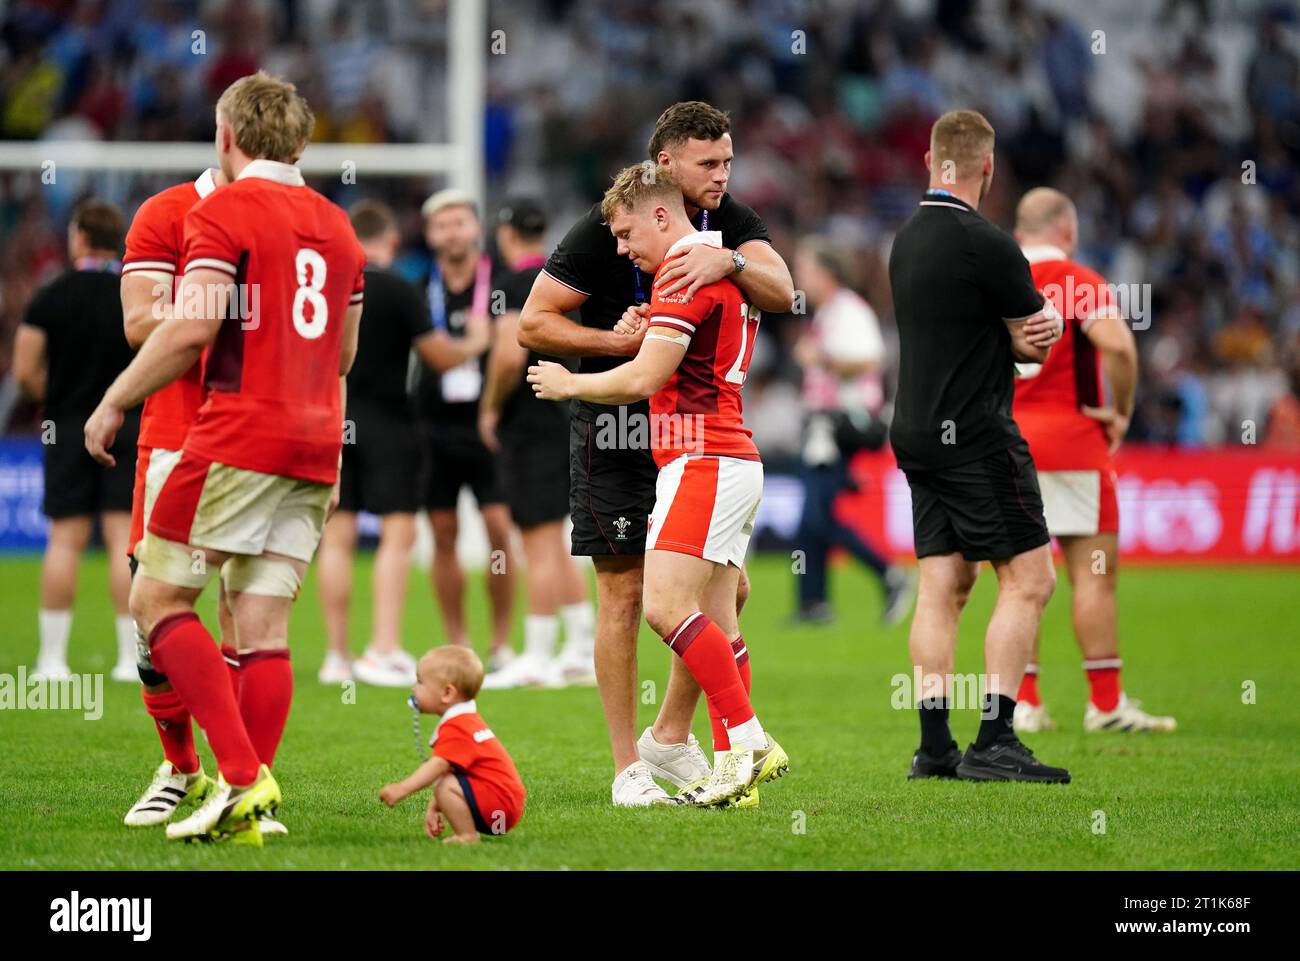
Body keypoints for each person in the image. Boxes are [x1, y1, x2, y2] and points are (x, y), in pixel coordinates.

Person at [84, 71, 365, 844]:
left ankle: (239, 777)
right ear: (303, 142)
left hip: (236, 434)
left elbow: (189, 326)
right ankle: (246, 807)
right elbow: (343, 353)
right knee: (263, 629)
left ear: (226, 136)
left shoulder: (225, 208)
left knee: (156, 602)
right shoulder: (340, 227)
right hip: (312, 444)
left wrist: (113, 400)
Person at [519, 101, 795, 806]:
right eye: (711, 163)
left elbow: (783, 290)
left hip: (695, 443)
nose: (723, 177)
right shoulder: (606, 224)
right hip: (635, 436)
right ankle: (633, 766)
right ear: (664, 168)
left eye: (729, 162)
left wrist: (726, 258)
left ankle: (711, 738)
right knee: (627, 593)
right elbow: (533, 322)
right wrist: (617, 341)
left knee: (701, 599)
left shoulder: (710, 246)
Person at [887, 109, 1071, 783]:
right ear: (987, 168)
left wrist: (1005, 333)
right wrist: (1035, 326)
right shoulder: (989, 243)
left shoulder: (905, 239)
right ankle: (996, 737)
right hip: (975, 434)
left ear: (932, 161)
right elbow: (1032, 336)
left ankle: (934, 746)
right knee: (1030, 579)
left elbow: (962, 330)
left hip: (915, 432)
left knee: (945, 582)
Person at [1010, 187, 1176, 734]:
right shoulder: (1079, 280)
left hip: (1007, 447)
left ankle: (1026, 705)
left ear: (1019, 231)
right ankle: (1105, 705)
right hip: (1074, 443)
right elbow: (1120, 347)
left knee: (1019, 582)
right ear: (1068, 229)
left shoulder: (995, 278)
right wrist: (1120, 412)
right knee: (1093, 577)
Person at [116, 166, 250, 829]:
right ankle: (180, 765)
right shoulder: (165, 212)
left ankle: (240, 779)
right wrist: (209, 304)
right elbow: (140, 323)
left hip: (260, 438)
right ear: (229, 140)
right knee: (151, 610)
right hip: (173, 436)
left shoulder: (291, 216)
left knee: (249, 617)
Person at [316, 199, 490, 688]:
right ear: (391, 241)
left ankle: (335, 656)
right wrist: (476, 343)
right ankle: (384, 648)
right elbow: (440, 357)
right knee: (397, 536)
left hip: (334, 421)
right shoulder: (397, 287)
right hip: (392, 424)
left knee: (337, 537)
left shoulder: (329, 288)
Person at [13, 199, 139, 682]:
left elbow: (25, 370)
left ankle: (51, 661)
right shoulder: (133, 294)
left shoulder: (52, 294)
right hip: (126, 424)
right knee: (121, 542)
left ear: (81, 237)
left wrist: (60, 398)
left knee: (64, 541)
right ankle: (130, 661)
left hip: (65, 427)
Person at [478, 197, 595, 688]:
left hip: (528, 423)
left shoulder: (509, 285)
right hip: (565, 417)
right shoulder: (562, 281)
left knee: (538, 543)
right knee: (557, 539)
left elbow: (508, 355)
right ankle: (582, 649)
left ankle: (539, 657)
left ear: (506, 236)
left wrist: (488, 407)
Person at [791, 237, 914, 626]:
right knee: (811, 517)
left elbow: (869, 361)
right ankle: (813, 605)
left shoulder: (849, 311)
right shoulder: (830, 313)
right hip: (823, 425)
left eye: (806, 269)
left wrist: (820, 358)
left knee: (816, 517)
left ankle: (889, 574)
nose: (800, 278)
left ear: (826, 273)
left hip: (839, 425)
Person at [416, 190, 515, 669]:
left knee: (499, 530)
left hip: (489, 426)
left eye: (460, 222)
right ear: (430, 234)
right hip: (433, 427)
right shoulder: (419, 286)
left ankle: (499, 643)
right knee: (442, 532)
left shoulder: (500, 282)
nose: (452, 232)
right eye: (442, 224)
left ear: (476, 228)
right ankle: (458, 639)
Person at [379, 646, 526, 843]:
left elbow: (437, 767)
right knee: (446, 781)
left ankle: (467, 836)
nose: (414, 689)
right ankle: (467, 832)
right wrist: (434, 807)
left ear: (447, 693)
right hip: (504, 805)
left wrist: (402, 789)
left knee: (446, 784)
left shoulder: (458, 727)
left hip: (498, 806)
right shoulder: (467, 720)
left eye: (420, 682)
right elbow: (451, 772)